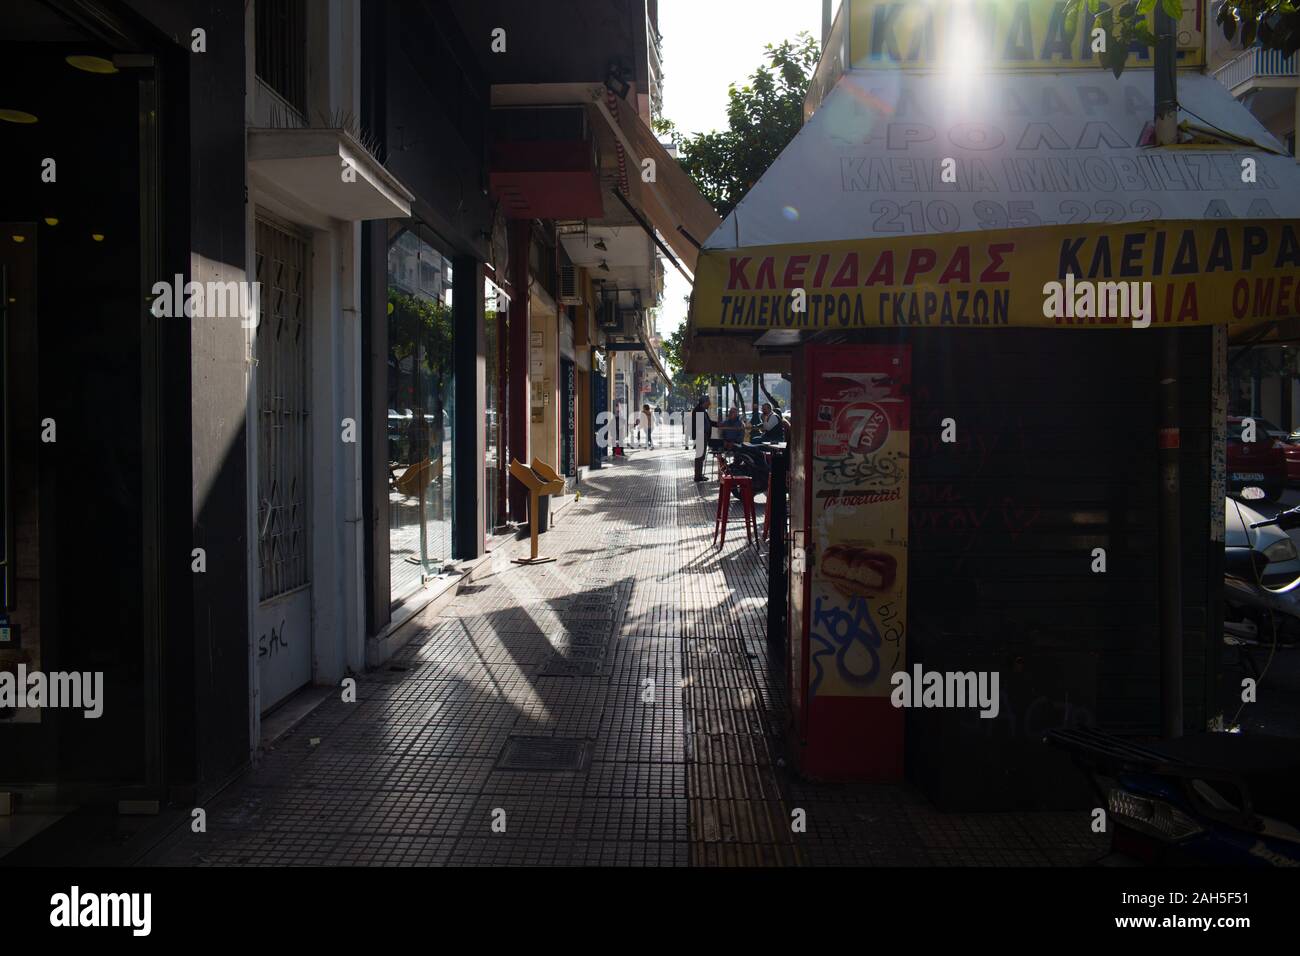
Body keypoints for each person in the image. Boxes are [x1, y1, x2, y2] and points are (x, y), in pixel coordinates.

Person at [691, 395, 716, 481]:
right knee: (699, 456)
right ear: (704, 402)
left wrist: (717, 424)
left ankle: (699, 475)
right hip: (701, 436)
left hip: (703, 436)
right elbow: (699, 426)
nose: (709, 404)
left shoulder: (702, 410)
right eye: (708, 402)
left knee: (701, 456)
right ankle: (698, 476)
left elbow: (709, 422)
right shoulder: (699, 410)